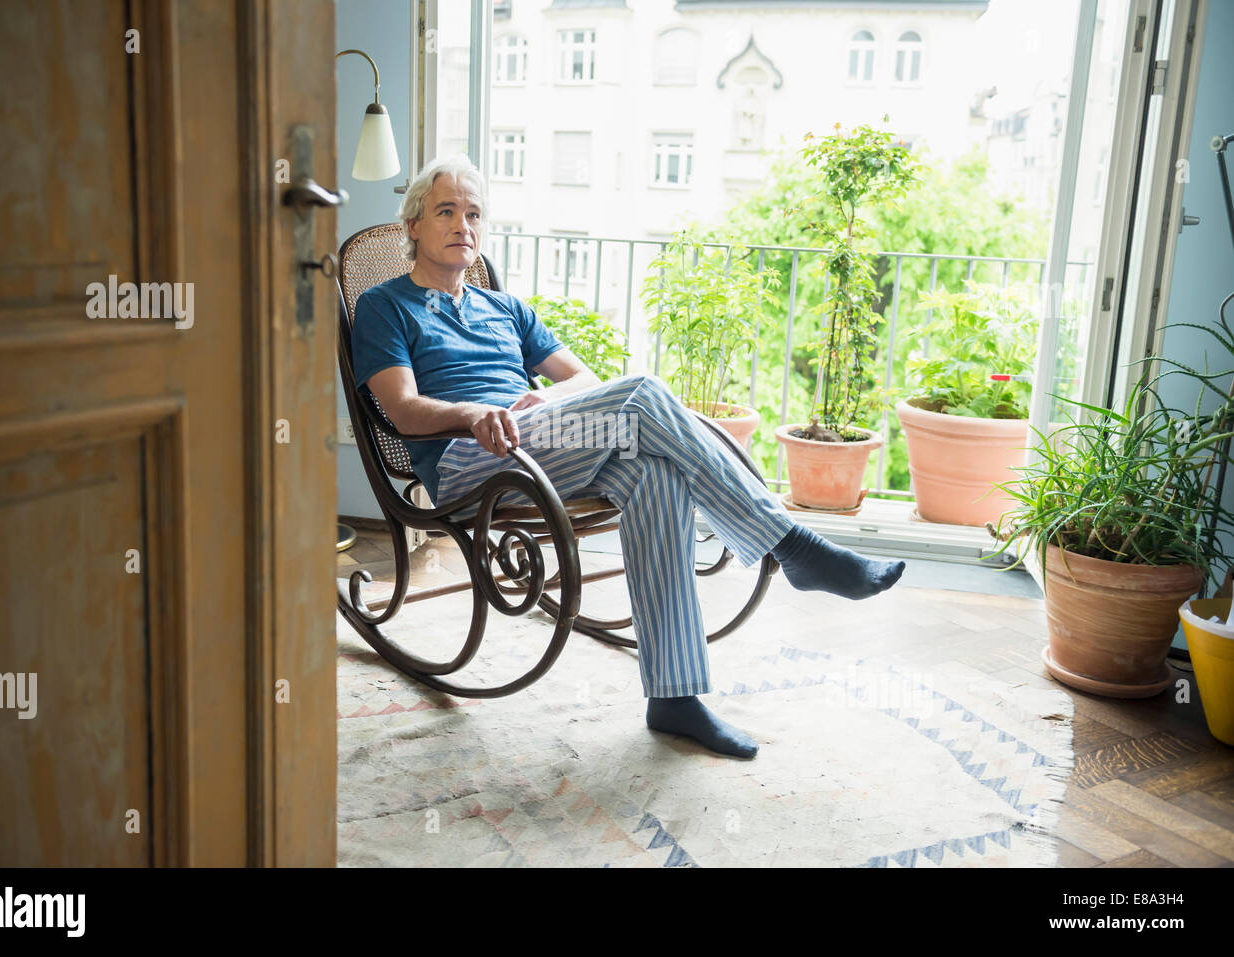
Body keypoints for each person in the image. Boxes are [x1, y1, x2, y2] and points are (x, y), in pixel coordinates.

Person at [352, 155, 905, 759]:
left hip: (541, 439)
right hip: (469, 461)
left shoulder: (505, 309)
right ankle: (793, 546)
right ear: (412, 226)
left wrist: (546, 397)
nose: (464, 224)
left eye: (474, 213)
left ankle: (675, 696)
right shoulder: (385, 306)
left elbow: (582, 380)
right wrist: (471, 412)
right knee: (642, 391)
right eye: (446, 211)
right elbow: (402, 410)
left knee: (656, 474)